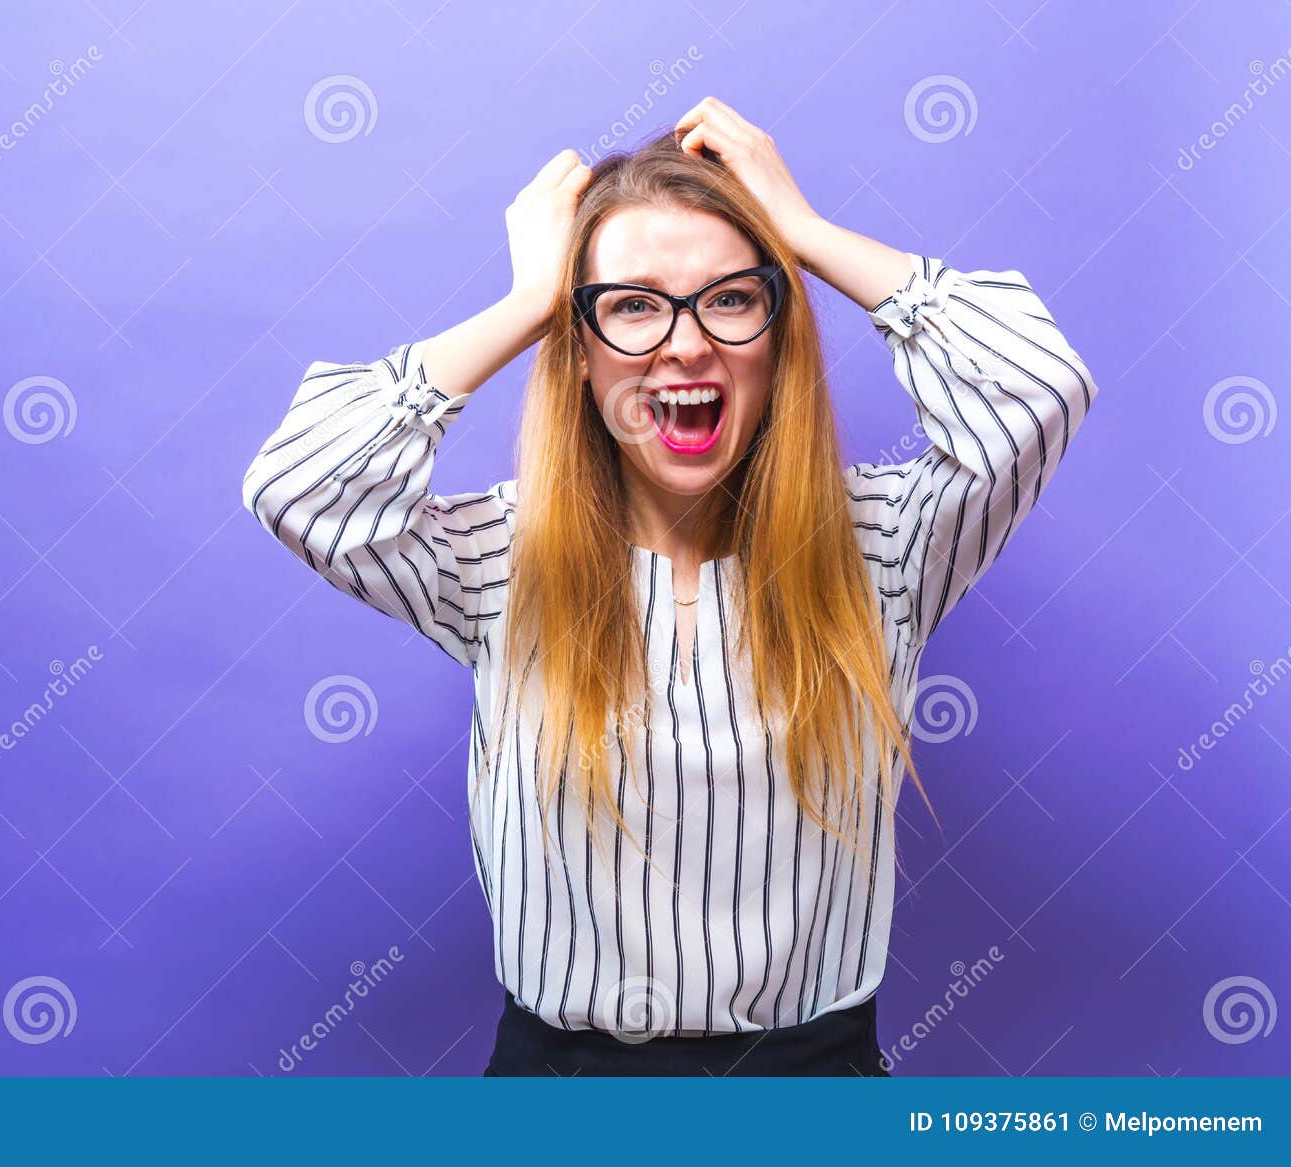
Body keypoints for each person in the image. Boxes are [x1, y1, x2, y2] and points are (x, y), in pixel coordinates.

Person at [241, 97, 1098, 1076]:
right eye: (632, 305)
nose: (684, 344)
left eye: (731, 298)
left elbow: (1038, 385)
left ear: (777, 340)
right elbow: (299, 483)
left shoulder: (884, 545)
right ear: (579, 351)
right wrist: (530, 301)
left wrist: (807, 235)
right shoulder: (497, 559)